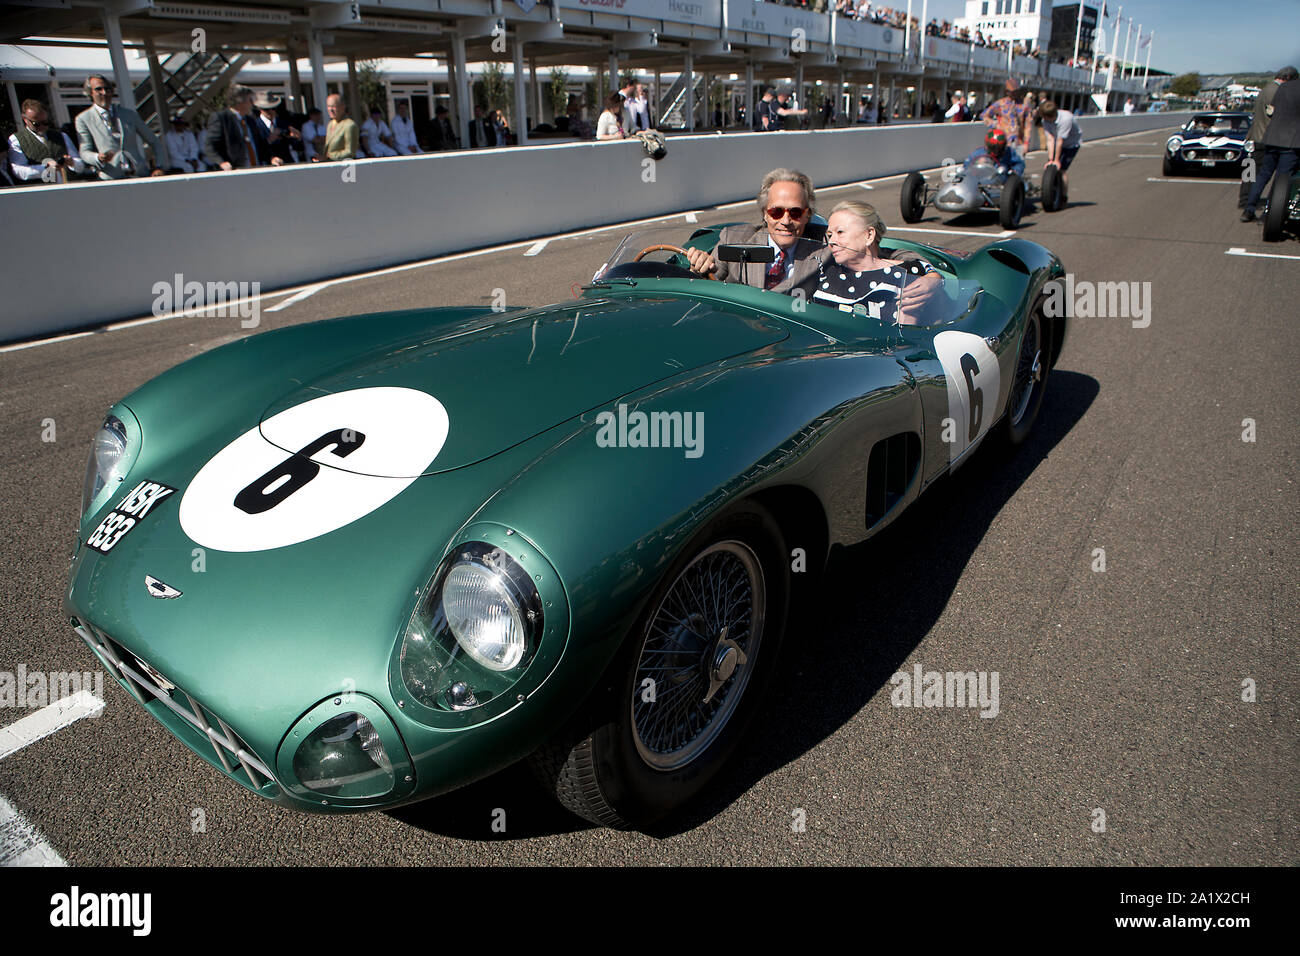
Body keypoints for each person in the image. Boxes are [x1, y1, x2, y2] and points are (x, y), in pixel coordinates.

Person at [803, 201, 941, 324]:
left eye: (840, 232)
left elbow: (903, 337)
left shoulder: (905, 274)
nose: (832, 241)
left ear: (869, 235)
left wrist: (933, 275)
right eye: (829, 235)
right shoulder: (824, 269)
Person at [684, 168, 821, 291]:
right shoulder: (734, 240)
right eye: (776, 212)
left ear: (807, 215)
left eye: (795, 213)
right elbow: (708, 282)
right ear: (765, 214)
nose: (785, 221)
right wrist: (699, 268)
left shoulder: (823, 252)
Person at [75, 74, 168, 179]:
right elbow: (84, 152)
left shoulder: (128, 114)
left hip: (139, 175)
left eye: (107, 89)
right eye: (98, 89)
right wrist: (98, 157)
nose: (104, 93)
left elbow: (155, 141)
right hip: (110, 178)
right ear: (90, 93)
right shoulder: (83, 118)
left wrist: (159, 167)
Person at [1242, 76, 1300, 222]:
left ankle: (1248, 209)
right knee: (1282, 180)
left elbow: (1271, 112)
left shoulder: (1284, 88)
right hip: (1291, 141)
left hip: (1272, 138)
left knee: (1263, 176)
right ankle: (1271, 213)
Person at [7, 99, 85, 184]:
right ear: (25, 119)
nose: (42, 126)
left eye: (45, 122)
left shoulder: (62, 136)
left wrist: (72, 163)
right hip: (39, 192)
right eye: (36, 124)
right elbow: (18, 171)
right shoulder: (16, 140)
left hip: (67, 188)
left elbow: (80, 166)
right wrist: (45, 168)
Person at [202, 84, 261, 170]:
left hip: (256, 169)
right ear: (240, 102)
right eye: (250, 100)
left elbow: (261, 144)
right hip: (235, 170)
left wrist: (272, 157)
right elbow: (210, 146)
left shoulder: (250, 120)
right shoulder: (221, 118)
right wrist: (221, 162)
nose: (253, 104)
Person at [1037, 99, 1082, 191]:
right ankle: (1051, 189)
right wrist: (1051, 160)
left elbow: (1060, 141)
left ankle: (1063, 196)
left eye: (1045, 118)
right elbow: (1050, 139)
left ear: (1050, 116)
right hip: (1058, 142)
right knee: (1051, 167)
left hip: (1071, 144)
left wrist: (1057, 160)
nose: (1043, 120)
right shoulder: (1045, 120)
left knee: (1061, 170)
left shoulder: (1066, 119)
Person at [980, 77, 1031, 158]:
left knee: (1018, 166)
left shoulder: (1024, 105)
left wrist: (1026, 143)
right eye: (1012, 92)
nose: (1015, 94)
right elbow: (984, 115)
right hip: (1003, 141)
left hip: (1019, 141)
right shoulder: (1000, 103)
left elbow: (1027, 125)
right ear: (1007, 92)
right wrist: (995, 124)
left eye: (1016, 91)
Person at [251, 92, 299, 165]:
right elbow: (257, 148)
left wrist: (296, 138)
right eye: (266, 109)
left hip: (287, 162)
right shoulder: (255, 126)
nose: (270, 111)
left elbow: (297, 146)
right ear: (260, 109)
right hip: (267, 164)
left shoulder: (284, 123)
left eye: (273, 108)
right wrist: (269, 140)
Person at [322, 93, 359, 161]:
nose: (331, 110)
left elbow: (350, 152)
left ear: (342, 107)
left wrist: (330, 157)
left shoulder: (349, 125)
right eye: (328, 106)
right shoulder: (330, 124)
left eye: (333, 106)